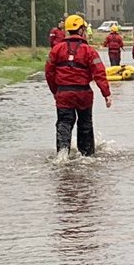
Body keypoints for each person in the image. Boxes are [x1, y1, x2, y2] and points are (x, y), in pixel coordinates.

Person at [45, 15, 112, 159]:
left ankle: (62, 155)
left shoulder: (56, 50)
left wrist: (55, 91)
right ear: (81, 30)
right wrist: (106, 94)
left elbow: (49, 73)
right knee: (85, 125)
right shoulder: (89, 51)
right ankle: (87, 155)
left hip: (63, 93)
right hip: (83, 94)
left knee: (64, 124)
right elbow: (99, 73)